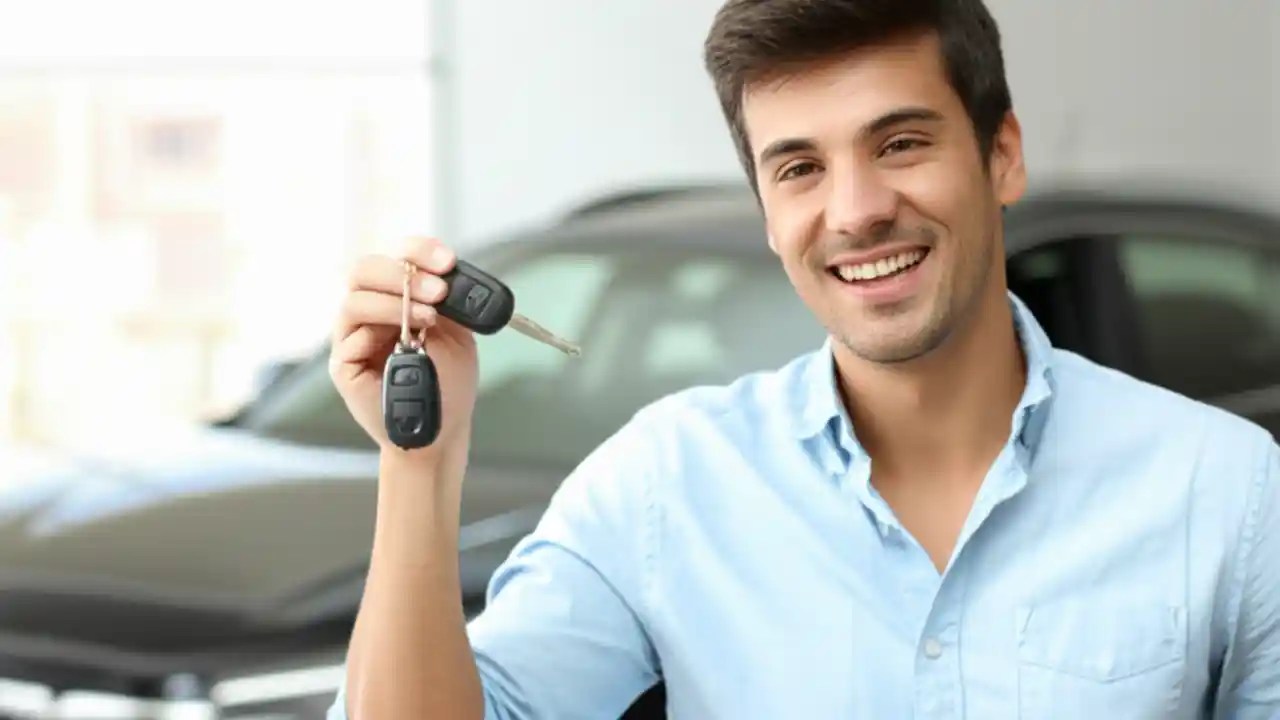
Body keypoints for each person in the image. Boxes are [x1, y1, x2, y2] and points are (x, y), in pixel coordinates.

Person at [325, 1, 1279, 717]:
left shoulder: (1228, 489)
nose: (856, 209)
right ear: (768, 213)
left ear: (1002, 156)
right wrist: (419, 461)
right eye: (800, 168)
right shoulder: (665, 484)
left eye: (900, 143)